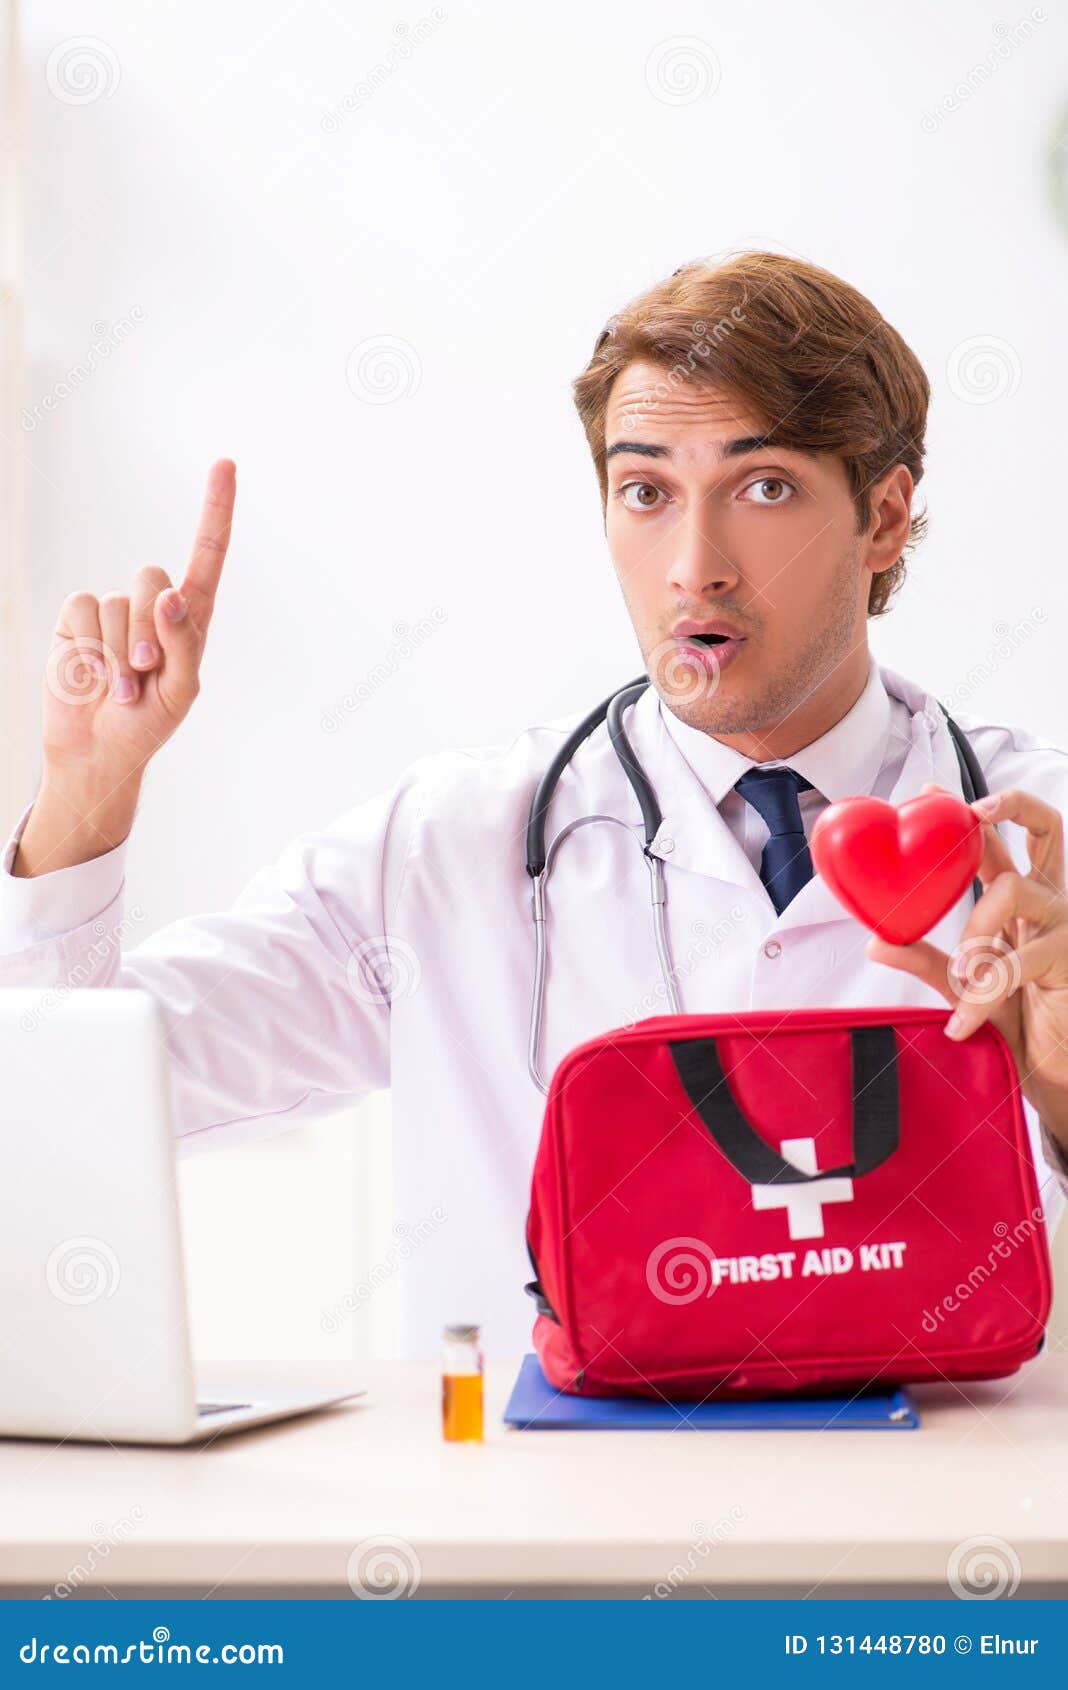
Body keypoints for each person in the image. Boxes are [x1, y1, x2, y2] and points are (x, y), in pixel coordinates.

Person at [4, 250, 1068, 1359]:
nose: (694, 568)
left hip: (953, 1521)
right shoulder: (444, 849)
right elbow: (68, 1116)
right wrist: (84, 802)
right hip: (539, 1526)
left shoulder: (1042, 842)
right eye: (646, 492)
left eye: (764, 488)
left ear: (885, 518)